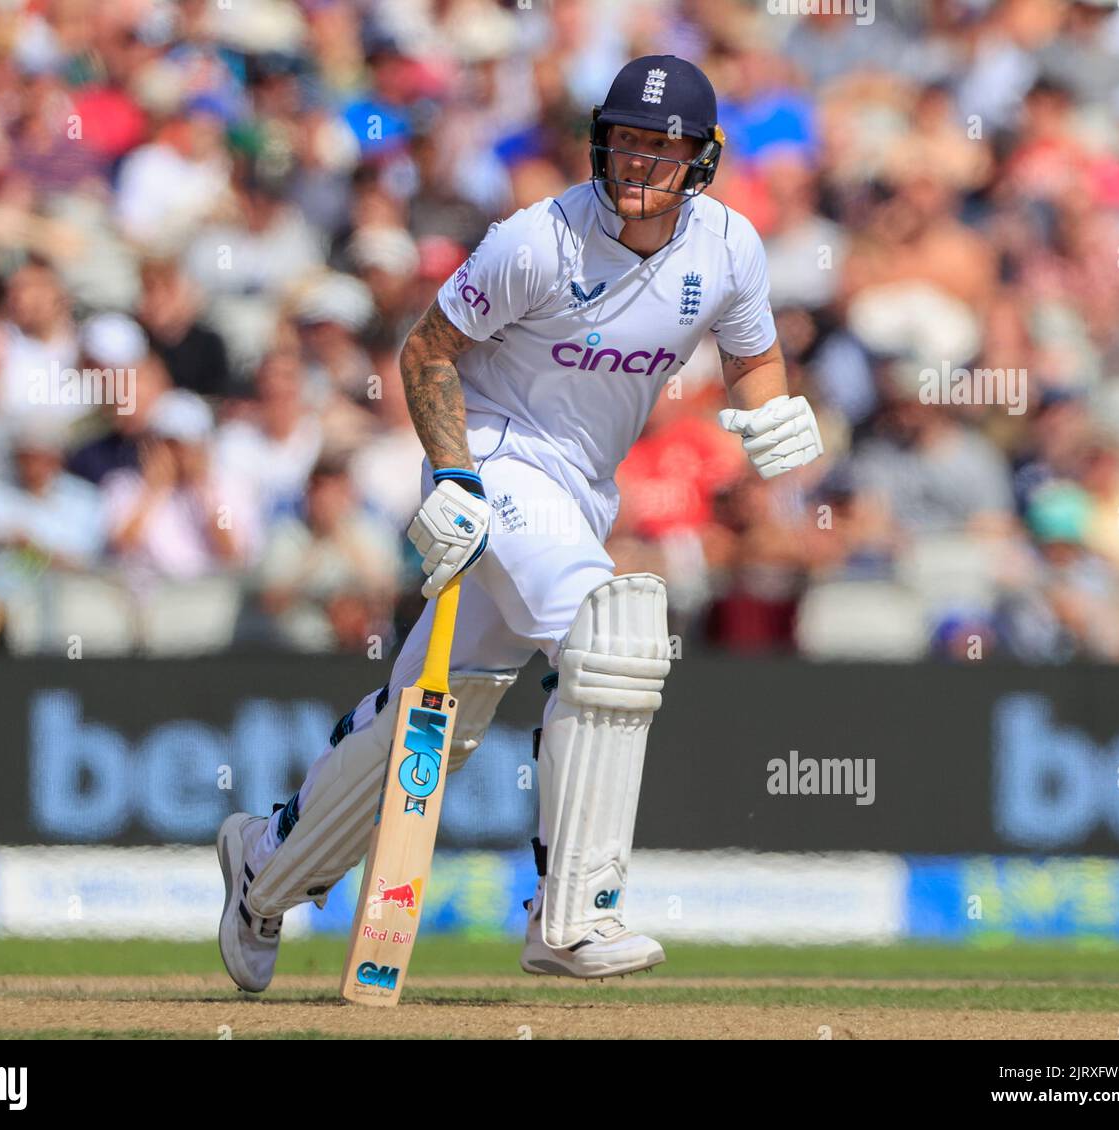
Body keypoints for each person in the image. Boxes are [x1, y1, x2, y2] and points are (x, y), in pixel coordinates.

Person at [216, 56, 823, 992]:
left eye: (661, 148)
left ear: (702, 159)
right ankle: (574, 914)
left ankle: (264, 867)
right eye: (624, 140)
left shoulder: (730, 248)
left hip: (581, 487)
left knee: (437, 719)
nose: (637, 164)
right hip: (494, 457)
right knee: (611, 629)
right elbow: (427, 350)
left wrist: (771, 408)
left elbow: (755, 356)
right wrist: (454, 475)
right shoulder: (535, 240)